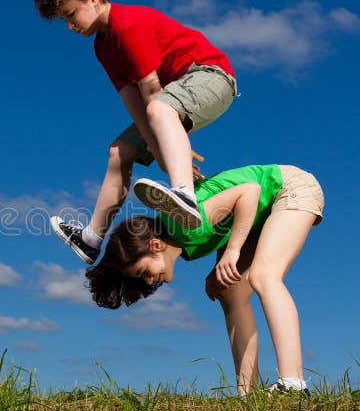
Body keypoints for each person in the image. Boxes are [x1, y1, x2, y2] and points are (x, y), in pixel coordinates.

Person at [34, 0, 237, 263]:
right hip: (170, 98)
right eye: (65, 20)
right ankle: (91, 238)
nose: (70, 25)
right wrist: (163, 151)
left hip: (211, 76)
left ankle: (184, 194)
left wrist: (170, 159)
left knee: (159, 110)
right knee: (120, 151)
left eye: (71, 14)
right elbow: (133, 102)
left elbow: (152, 92)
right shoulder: (102, 47)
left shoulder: (127, 25)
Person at [85, 164, 325, 395]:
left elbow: (249, 191)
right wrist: (217, 270)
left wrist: (233, 251)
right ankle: (248, 394)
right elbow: (225, 223)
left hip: (288, 188)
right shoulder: (186, 243)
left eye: (143, 272)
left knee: (264, 275)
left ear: (155, 245)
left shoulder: (182, 222)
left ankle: (293, 383)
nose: (149, 281)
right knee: (230, 292)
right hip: (260, 215)